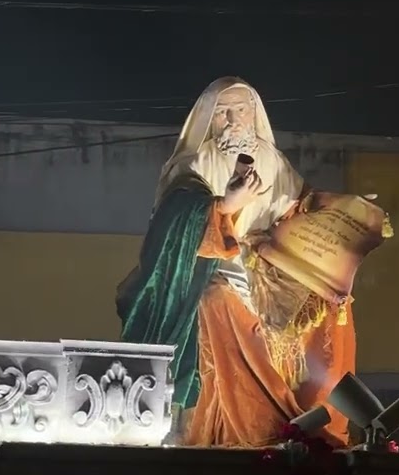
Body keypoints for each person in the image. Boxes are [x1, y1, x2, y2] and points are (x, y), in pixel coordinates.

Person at [115, 77, 356, 448]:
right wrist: (225, 206)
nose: (233, 120)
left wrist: (345, 213)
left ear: (254, 113)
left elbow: (300, 209)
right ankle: (249, 424)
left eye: (241, 109)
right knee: (217, 300)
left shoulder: (273, 161)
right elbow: (174, 216)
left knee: (332, 299)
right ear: (210, 118)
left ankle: (312, 419)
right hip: (215, 267)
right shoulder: (195, 163)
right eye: (223, 112)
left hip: (272, 264)